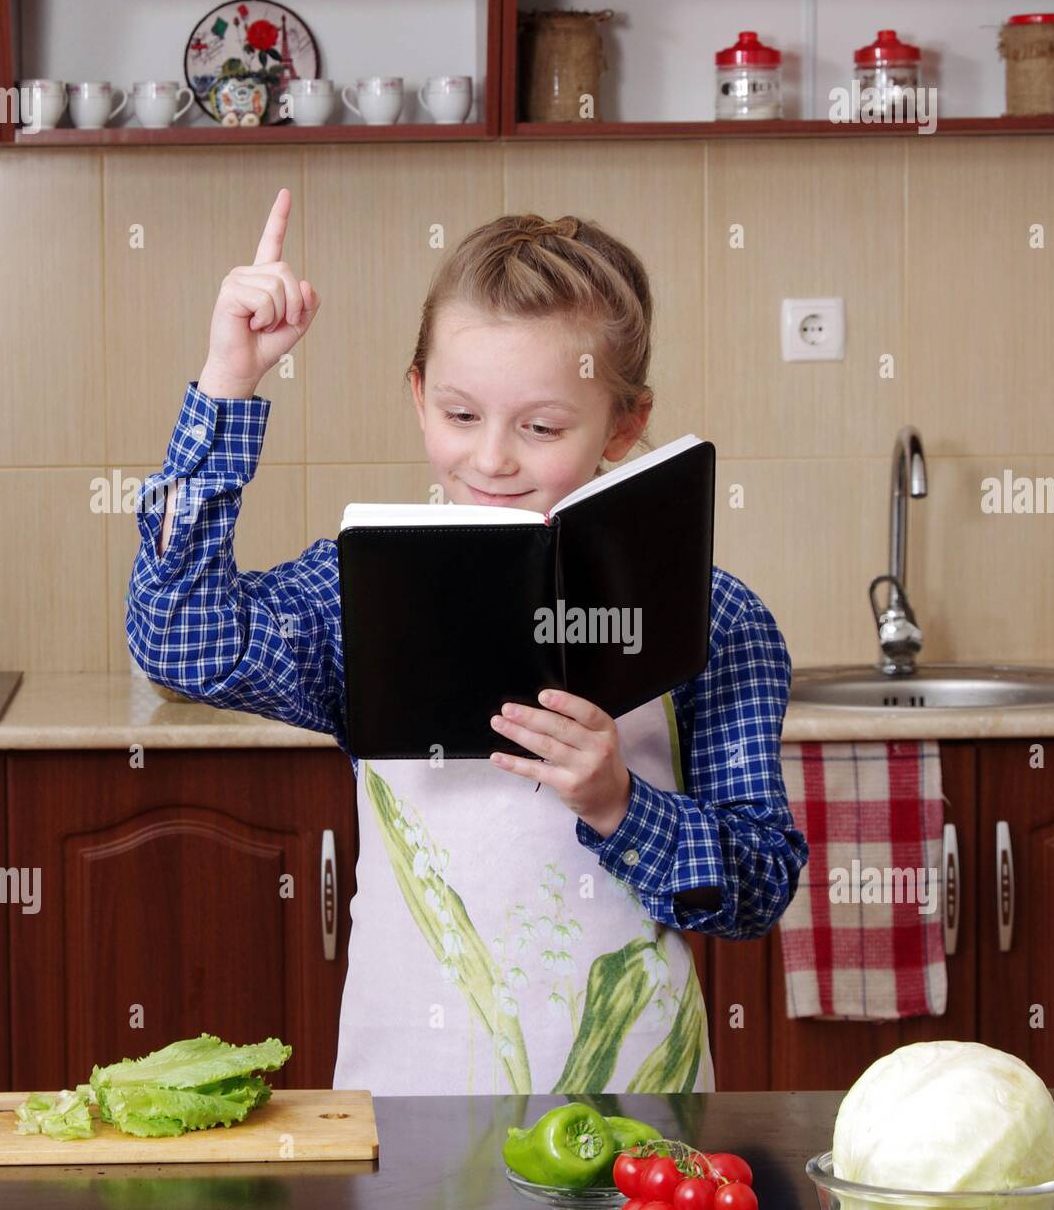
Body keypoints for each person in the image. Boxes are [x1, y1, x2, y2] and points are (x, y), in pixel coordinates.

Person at [127, 188, 808, 1095]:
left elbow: (757, 889)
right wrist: (228, 382)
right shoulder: (359, 589)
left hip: (638, 1114)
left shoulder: (716, 618)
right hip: (409, 1103)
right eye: (459, 415)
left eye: (542, 426)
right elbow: (178, 640)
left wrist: (619, 803)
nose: (492, 459)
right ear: (417, 397)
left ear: (627, 423)